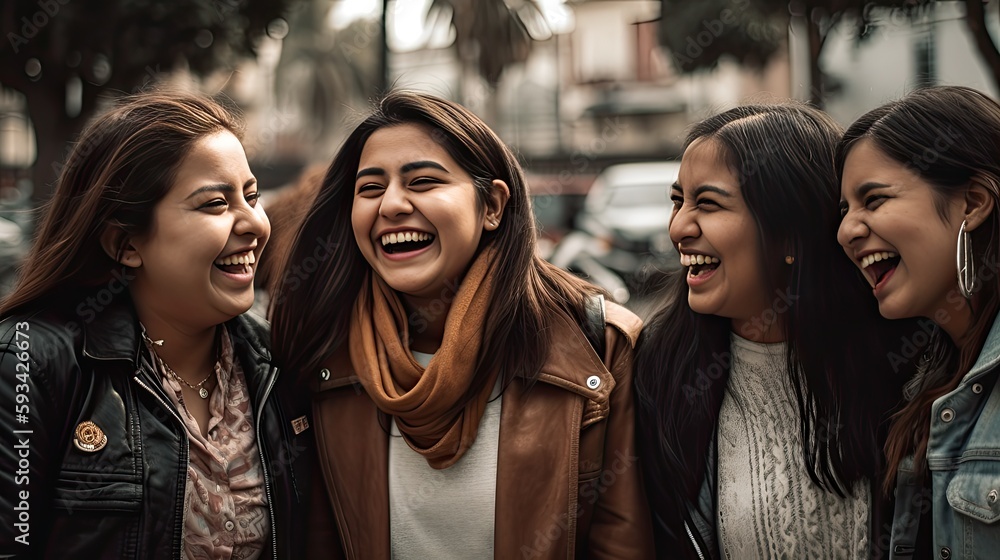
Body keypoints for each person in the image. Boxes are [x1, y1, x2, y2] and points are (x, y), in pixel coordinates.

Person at [270, 90, 654, 559]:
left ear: (492, 206)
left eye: (424, 182)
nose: (390, 204)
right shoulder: (323, 352)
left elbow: (621, 542)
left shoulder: (601, 344)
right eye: (370, 188)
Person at [0, 91, 309, 558]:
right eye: (215, 204)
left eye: (251, 196)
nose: (254, 223)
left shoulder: (278, 363)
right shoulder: (29, 364)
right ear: (125, 244)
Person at [635, 103, 916, 559]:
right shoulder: (652, 376)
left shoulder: (915, 363)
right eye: (677, 201)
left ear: (790, 232)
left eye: (707, 203)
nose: (678, 227)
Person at [837, 85, 1000, 559]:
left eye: (874, 200)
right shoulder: (923, 382)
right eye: (844, 209)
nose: (847, 230)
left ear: (972, 203)